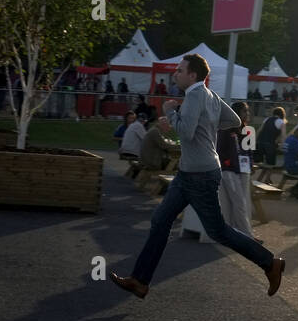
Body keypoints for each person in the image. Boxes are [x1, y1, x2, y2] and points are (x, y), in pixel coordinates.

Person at [111, 53, 285, 299]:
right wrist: (207, 127)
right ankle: (140, 280)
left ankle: (270, 263)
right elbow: (234, 120)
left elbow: (186, 133)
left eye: (179, 70)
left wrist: (171, 111)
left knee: (218, 231)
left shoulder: (193, 94)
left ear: (192, 75)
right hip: (190, 172)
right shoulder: (210, 95)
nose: (175, 74)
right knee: (161, 221)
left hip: (199, 175)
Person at [217, 101, 256, 238]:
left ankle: (238, 233)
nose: (247, 113)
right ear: (237, 112)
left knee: (242, 202)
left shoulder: (248, 130)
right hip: (229, 171)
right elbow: (219, 150)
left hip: (244, 170)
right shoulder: (226, 128)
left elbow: (250, 151)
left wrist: (250, 164)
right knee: (238, 202)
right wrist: (228, 163)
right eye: (245, 111)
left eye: (248, 111)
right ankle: (247, 235)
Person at [133, 115, 179, 189]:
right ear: (164, 125)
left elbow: (163, 144)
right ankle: (168, 187)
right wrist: (180, 147)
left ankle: (167, 186)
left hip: (145, 159)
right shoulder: (155, 132)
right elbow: (165, 146)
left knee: (172, 163)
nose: (170, 128)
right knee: (175, 165)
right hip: (151, 162)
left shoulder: (154, 130)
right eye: (168, 126)